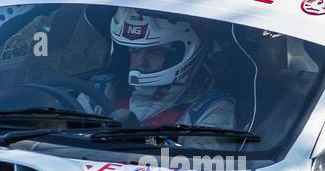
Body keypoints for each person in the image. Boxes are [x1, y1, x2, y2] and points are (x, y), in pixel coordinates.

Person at [89, 8, 236, 129]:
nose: (141, 62)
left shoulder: (211, 109)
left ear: (180, 54)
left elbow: (201, 162)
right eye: (134, 51)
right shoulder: (100, 91)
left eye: (155, 52)